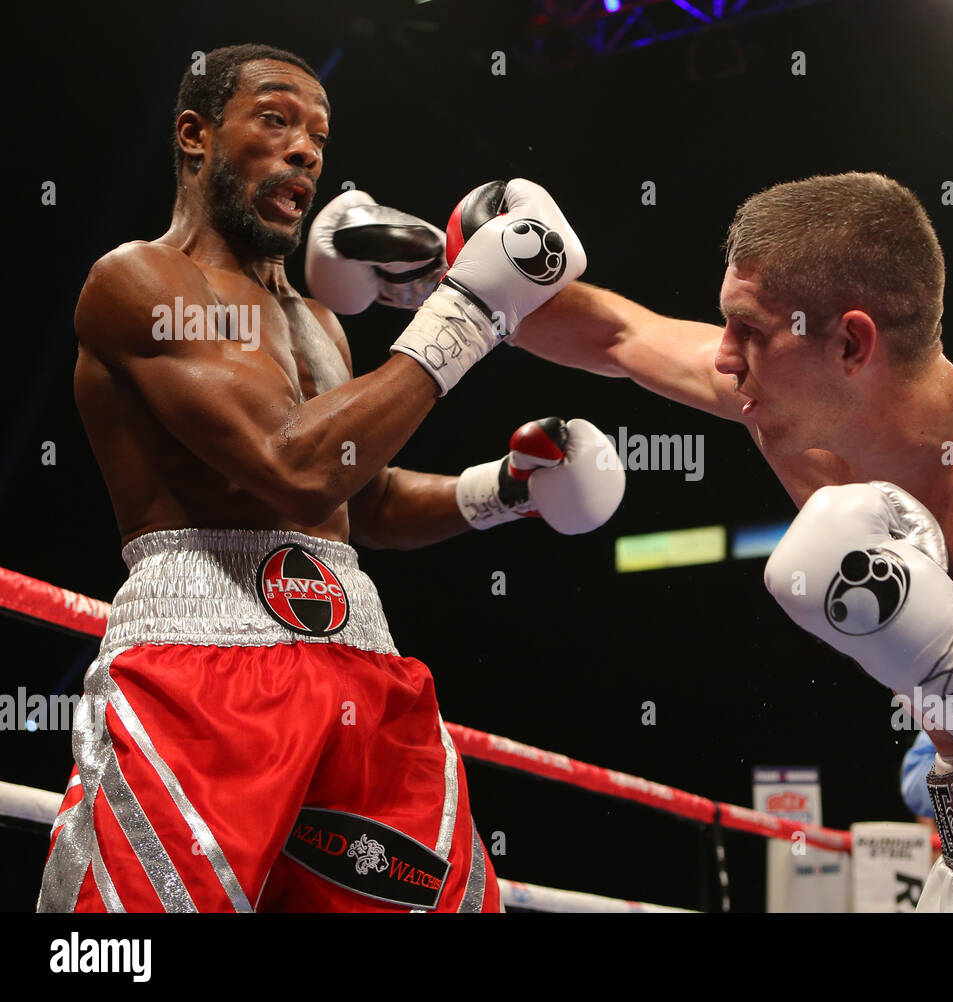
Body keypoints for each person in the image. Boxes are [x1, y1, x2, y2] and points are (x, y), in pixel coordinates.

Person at [505, 171, 953, 912]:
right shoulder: (791, 408)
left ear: (852, 345)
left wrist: (940, 657)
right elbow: (616, 331)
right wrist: (456, 285)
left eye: (751, 331)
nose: (725, 357)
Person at [37, 44, 621, 913]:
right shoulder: (139, 281)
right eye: (275, 119)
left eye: (318, 132)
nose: (306, 149)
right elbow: (292, 467)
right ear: (195, 135)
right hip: (202, 659)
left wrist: (505, 488)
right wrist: (469, 312)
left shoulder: (318, 322)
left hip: (362, 660)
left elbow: (365, 497)